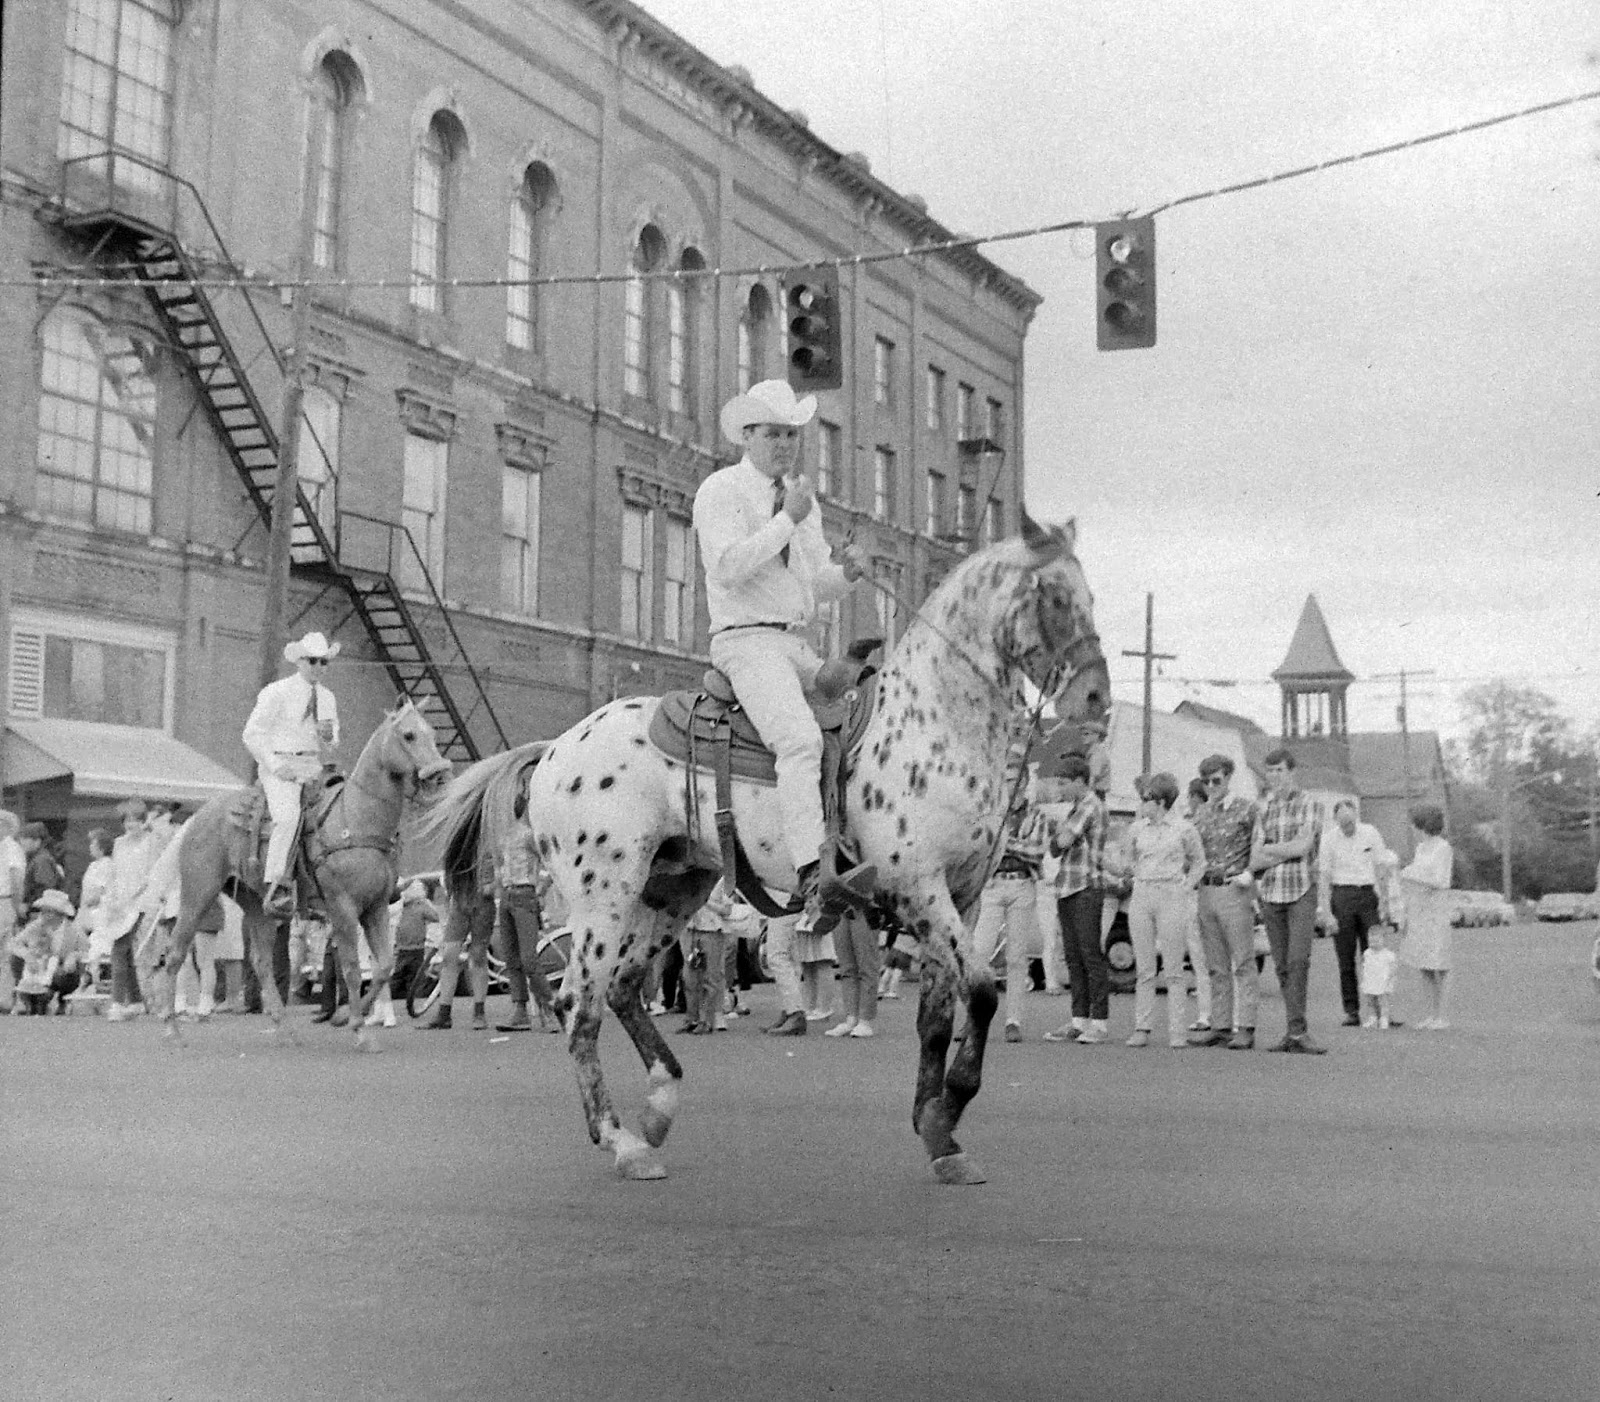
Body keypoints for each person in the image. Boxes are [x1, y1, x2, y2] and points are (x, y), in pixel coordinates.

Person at [692, 379, 871, 935]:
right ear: (747, 435)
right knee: (798, 739)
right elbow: (728, 566)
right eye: (773, 433)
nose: (785, 445)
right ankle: (811, 874)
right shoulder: (721, 491)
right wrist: (787, 519)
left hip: (795, 644)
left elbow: (812, 584)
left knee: (867, 713)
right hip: (745, 642)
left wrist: (848, 574)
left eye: (792, 435)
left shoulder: (799, 500)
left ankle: (851, 837)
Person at [242, 629, 341, 917]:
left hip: (313, 766)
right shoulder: (277, 692)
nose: (319, 668)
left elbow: (333, 744)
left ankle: (326, 885)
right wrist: (275, 765)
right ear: (299, 661)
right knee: (288, 818)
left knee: (336, 814)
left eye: (324, 663)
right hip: (281, 766)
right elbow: (252, 734)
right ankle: (277, 884)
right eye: (313, 661)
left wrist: (328, 736)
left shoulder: (328, 698)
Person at [1250, 748, 1326, 1055]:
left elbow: (1305, 845)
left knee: (1298, 959)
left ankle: (1299, 1030)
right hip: (1271, 891)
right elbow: (1254, 856)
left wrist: (1273, 850)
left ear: (1291, 772)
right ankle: (1293, 1030)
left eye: (1280, 770)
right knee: (1281, 964)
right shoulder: (1263, 807)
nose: (1275, 777)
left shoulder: (1310, 803)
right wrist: (1287, 849)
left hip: (1301, 889)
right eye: (1270, 771)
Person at [1121, 773, 1204, 1048]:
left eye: (1147, 799)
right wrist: (1136, 876)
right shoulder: (1136, 829)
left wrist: (1185, 886)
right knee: (1144, 967)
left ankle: (1177, 1031)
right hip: (1143, 892)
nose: (1143, 804)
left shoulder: (1183, 829)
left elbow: (1198, 862)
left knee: (1173, 968)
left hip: (1171, 893)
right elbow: (1128, 857)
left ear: (1160, 802)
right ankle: (1142, 1027)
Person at [969, 770, 1049, 1043]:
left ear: (1024, 783)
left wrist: (1004, 842)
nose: (1008, 785)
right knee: (979, 951)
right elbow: (983, 846)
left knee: (1017, 957)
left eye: (1014, 780)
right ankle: (971, 1018)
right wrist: (1014, 845)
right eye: (1005, 780)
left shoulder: (1036, 814)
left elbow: (1036, 852)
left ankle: (1013, 1019)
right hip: (992, 884)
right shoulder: (992, 811)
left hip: (1021, 884)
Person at [1189, 754, 1262, 1051]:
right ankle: (1220, 1025)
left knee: (1243, 961)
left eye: (1216, 780)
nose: (1211, 787)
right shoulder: (1200, 814)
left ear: (1228, 778)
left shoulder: (1247, 809)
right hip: (1206, 890)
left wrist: (1251, 873)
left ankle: (1245, 1026)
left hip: (1234, 889)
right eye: (1205, 782)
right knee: (1215, 964)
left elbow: (1260, 842)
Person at [1042, 754, 1110, 1045]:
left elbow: (1061, 844)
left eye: (1064, 783)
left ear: (1080, 781)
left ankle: (1099, 1023)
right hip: (1067, 887)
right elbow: (1057, 848)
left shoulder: (1090, 806)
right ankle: (1079, 1020)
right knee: (1073, 957)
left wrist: (1058, 835)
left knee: (1090, 956)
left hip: (1086, 887)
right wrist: (1059, 837)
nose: (1060, 789)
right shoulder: (1075, 809)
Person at [1317, 797, 1395, 1027]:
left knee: (1374, 955)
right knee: (1345, 956)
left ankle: (1381, 1010)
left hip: (1367, 895)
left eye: (1350, 822)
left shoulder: (1370, 833)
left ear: (1356, 817)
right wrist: (1326, 911)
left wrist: (1385, 901)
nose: (1347, 827)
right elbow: (1324, 875)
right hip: (1342, 896)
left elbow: (1381, 866)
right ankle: (1351, 1010)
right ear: (1336, 821)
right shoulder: (1329, 840)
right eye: (1343, 823)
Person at [1395, 803, 1454, 1029]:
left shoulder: (1443, 848)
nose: (1412, 829)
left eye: (1414, 825)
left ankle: (1442, 1016)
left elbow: (1440, 880)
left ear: (1422, 825)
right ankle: (1430, 1014)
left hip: (1436, 909)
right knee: (1424, 964)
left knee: (1441, 964)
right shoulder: (1420, 849)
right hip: (1419, 908)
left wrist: (1410, 875)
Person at [101, 798, 156, 1022]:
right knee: (125, 951)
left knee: (119, 949)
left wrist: (135, 898)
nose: (130, 825)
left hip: (139, 903)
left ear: (143, 821)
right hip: (118, 905)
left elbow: (151, 875)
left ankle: (117, 1002)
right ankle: (135, 1001)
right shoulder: (119, 843)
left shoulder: (151, 842)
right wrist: (113, 900)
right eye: (126, 821)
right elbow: (113, 874)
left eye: (135, 820)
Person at [1180, 778, 1215, 1034]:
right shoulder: (1190, 824)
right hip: (1201, 892)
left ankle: (1207, 1014)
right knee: (1206, 959)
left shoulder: (1191, 825)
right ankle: (1210, 1014)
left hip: (1200, 893)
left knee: (1203, 960)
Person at [678, 878, 733, 1035]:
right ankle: (691, 1018)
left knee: (710, 977)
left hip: (711, 930)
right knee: (690, 975)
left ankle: (706, 1020)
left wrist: (705, 903)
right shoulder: (688, 878)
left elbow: (727, 910)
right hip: (690, 930)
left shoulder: (721, 881)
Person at [10, 890, 76, 1015]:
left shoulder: (73, 930)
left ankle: (60, 1000)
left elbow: (86, 950)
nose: (43, 915)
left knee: (66, 972)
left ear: (60, 914)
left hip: (59, 968)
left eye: (48, 911)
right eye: (42, 911)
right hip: (36, 966)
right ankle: (26, 1000)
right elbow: (13, 943)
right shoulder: (35, 926)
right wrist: (28, 956)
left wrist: (73, 956)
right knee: (16, 959)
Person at [826, 907, 880, 1038]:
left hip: (864, 905)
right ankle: (851, 1018)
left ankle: (865, 1020)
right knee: (846, 967)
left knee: (867, 965)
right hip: (839, 906)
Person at [761, 912, 809, 1036]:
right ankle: (789, 1009)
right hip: (789, 905)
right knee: (791, 957)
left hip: (783, 905)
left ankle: (794, 1012)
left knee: (777, 957)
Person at [1359, 923, 1398, 1029]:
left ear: (1383, 940)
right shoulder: (1367, 953)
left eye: (1376, 941)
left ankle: (1384, 1018)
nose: (1373, 944)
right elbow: (1365, 967)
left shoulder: (1388, 955)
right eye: (1371, 941)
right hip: (1371, 981)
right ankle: (1372, 1018)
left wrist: (1390, 980)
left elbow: (1393, 968)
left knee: (1383, 1001)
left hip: (1383, 981)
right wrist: (1364, 979)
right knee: (1370, 1001)